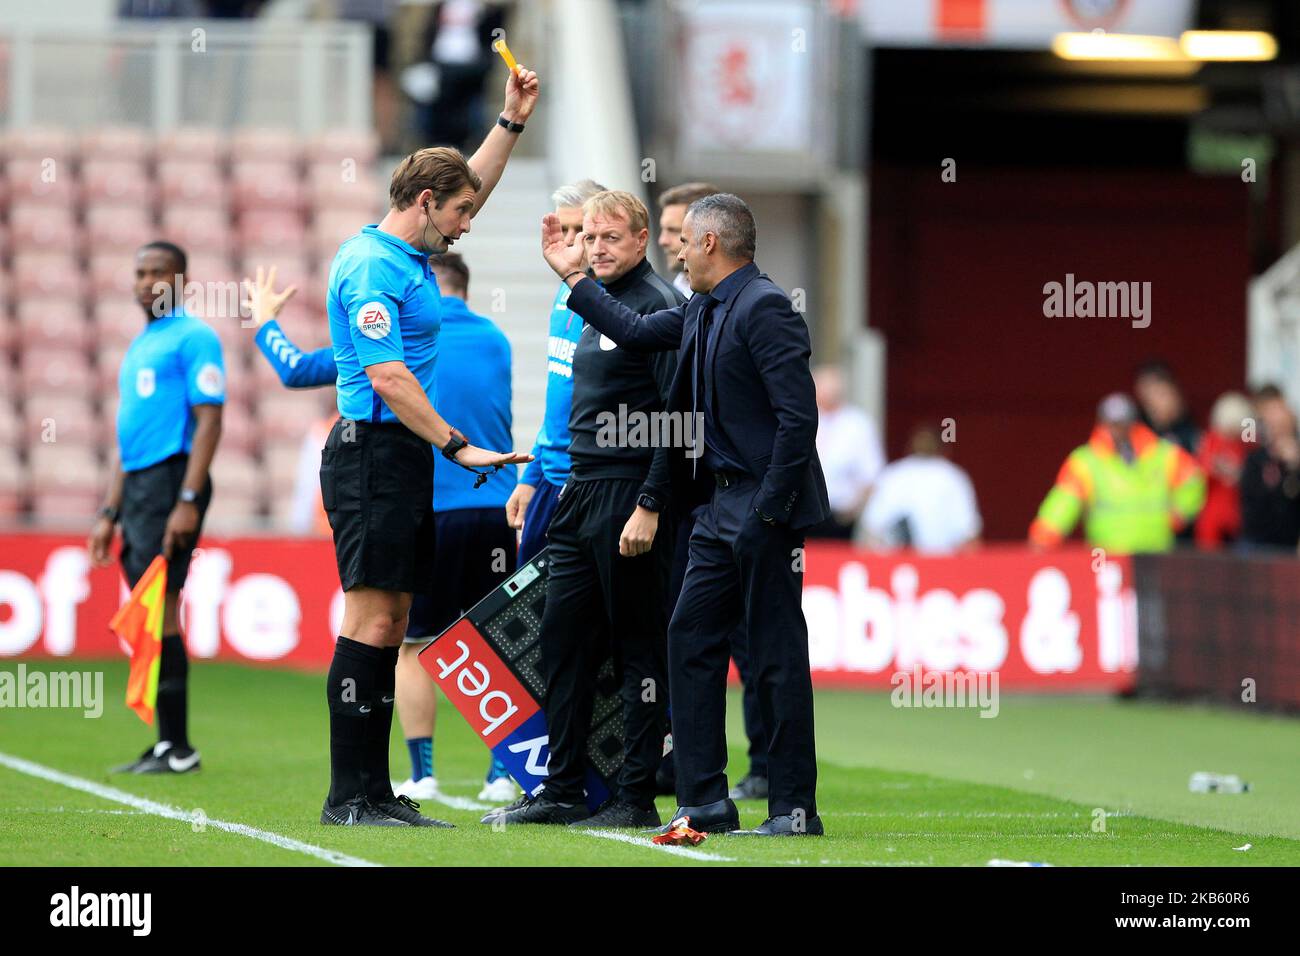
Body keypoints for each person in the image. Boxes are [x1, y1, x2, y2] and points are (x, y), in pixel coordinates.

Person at [541, 192, 830, 837]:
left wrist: (767, 511)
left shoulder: (767, 308)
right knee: (688, 638)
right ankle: (704, 800)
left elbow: (797, 421)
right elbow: (638, 333)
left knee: (776, 653)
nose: (673, 247)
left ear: (709, 244)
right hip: (713, 507)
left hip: (763, 507)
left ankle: (793, 807)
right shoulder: (701, 306)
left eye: (682, 239)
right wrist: (573, 277)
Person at [316, 62, 538, 828]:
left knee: (391, 618)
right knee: (372, 621)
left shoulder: (407, 252)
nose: (470, 223)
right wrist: (458, 446)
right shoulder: (373, 266)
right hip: (373, 452)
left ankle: (373, 793)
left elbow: (468, 182)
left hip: (395, 457)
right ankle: (350, 796)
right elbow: (387, 377)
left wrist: (509, 122)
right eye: (462, 214)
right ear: (424, 204)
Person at [249, 254, 521, 805]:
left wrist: (263, 322)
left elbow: (297, 370)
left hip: (424, 503)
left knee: (413, 644)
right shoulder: (497, 340)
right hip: (493, 506)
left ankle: (422, 772)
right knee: (495, 644)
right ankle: (502, 771)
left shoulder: (406, 342)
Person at [490, 190, 682, 828]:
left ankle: (634, 798)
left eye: (608, 237)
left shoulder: (657, 305)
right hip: (579, 489)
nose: (594, 247)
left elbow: (678, 423)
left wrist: (650, 504)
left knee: (635, 650)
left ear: (641, 238)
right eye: (588, 237)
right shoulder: (594, 304)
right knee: (560, 642)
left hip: (628, 494)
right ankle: (563, 787)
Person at [88, 241, 224, 775]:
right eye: (140, 272)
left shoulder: (194, 337)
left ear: (181, 280)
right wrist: (108, 512)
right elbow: (130, 439)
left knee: (162, 606)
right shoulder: (143, 343)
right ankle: (169, 743)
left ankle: (179, 747)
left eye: (158, 272)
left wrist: (187, 500)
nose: (146, 281)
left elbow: (210, 421)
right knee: (152, 609)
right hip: (141, 488)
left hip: (173, 481)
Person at [506, 179, 607, 562]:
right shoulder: (565, 292)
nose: (569, 242)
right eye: (564, 230)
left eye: (579, 230)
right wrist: (531, 478)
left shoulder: (615, 307)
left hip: (585, 484)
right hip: (549, 476)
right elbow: (558, 396)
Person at [1030, 393, 1205, 555]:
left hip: (1155, 553)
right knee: (1106, 587)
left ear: (1133, 422)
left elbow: (1192, 481)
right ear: (1102, 423)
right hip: (1106, 556)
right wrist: (1043, 538)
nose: (1118, 429)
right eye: (1113, 423)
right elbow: (1063, 501)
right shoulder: (1087, 461)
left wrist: (1175, 517)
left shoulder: (1162, 454)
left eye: (1123, 422)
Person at [862, 426, 979, 553]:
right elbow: (969, 536)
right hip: (931, 563)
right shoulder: (953, 477)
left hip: (907, 564)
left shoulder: (893, 474)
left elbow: (871, 532)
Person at [810, 364, 884, 540]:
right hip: (802, 513)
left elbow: (871, 474)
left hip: (839, 518)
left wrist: (852, 511)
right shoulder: (802, 419)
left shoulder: (857, 424)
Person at [1239, 385, 1300, 551]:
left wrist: (1295, 468)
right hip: (1257, 544)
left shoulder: (1296, 461)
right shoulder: (1255, 459)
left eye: (1282, 423)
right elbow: (1254, 509)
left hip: (1288, 546)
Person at [1194, 391, 1253, 549]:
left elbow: (1253, 463)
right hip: (1213, 513)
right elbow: (1202, 471)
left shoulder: (1245, 444)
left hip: (1238, 514)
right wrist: (1218, 468)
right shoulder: (1211, 439)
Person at [656, 182, 720, 299]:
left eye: (673, 230)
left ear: (709, 238)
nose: (662, 241)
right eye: (663, 230)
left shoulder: (740, 303)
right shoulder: (666, 298)